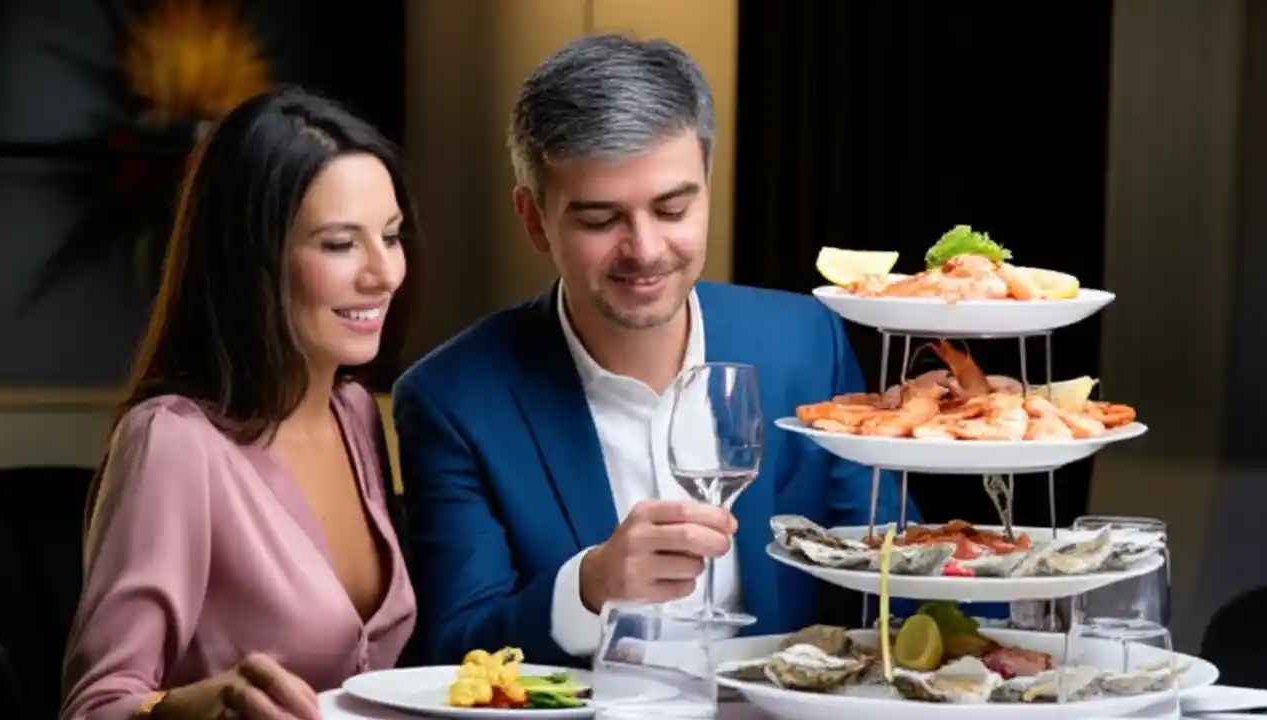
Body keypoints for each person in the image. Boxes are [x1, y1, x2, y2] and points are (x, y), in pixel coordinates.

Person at [392, 33, 916, 668]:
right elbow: (455, 649)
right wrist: (588, 589)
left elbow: (900, 573)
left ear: (707, 184)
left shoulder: (806, 340)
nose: (644, 249)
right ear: (534, 220)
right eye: (600, 220)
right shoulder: (452, 399)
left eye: (672, 208)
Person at [60, 86, 420, 720]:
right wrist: (196, 707)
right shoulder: (172, 441)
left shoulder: (355, 412)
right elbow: (93, 708)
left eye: (390, 237)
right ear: (251, 261)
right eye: (340, 244)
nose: (383, 272)